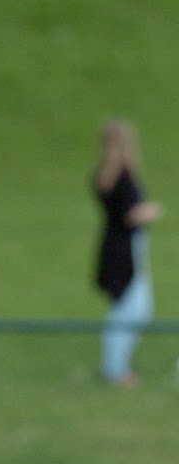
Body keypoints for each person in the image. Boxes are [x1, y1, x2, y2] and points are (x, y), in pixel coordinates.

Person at [93, 119, 162, 387]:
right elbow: (129, 215)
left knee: (125, 307)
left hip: (116, 244)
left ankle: (115, 366)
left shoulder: (104, 175)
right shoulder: (120, 177)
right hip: (125, 247)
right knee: (132, 309)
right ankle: (115, 369)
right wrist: (150, 211)